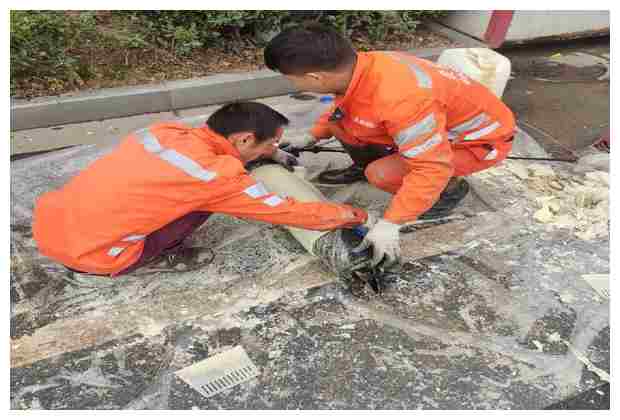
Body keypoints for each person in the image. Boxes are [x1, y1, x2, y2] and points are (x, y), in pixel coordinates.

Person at [264, 24, 516, 268]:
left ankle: (450, 190)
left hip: (477, 141)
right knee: (344, 123)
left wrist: (391, 223)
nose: (293, 86)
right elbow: (341, 108)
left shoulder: (401, 99)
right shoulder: (361, 66)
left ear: (315, 77)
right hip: (430, 124)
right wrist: (311, 136)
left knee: (381, 174)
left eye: (291, 80)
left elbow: (430, 168)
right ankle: (366, 164)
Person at [33, 102, 371, 277]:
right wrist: (354, 216)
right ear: (243, 139)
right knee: (202, 203)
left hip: (53, 227)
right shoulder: (215, 177)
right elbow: (289, 211)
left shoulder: (166, 132)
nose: (274, 150)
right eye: (272, 143)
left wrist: (268, 154)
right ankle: (151, 257)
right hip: (98, 255)